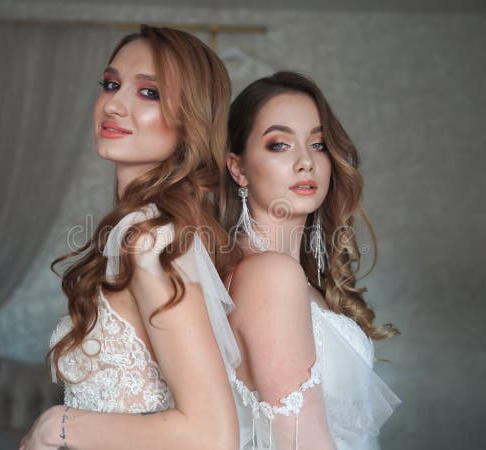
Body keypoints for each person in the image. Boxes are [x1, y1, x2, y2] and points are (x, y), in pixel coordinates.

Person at [20, 25, 240, 450]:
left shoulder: (149, 239)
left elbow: (213, 436)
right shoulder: (141, 228)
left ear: (190, 118)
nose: (114, 104)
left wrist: (57, 424)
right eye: (111, 84)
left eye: (149, 93)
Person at [220, 71, 401, 450]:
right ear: (238, 168)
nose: (305, 161)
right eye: (279, 145)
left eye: (318, 144)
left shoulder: (295, 277)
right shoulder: (269, 275)